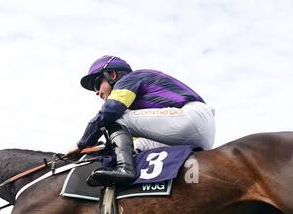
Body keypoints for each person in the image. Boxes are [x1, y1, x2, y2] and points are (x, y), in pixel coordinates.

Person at [66, 55, 216, 186]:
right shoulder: (135, 106)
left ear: (112, 75)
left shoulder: (128, 80)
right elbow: (128, 140)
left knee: (115, 118)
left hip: (191, 117)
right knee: (136, 145)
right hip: (199, 133)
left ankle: (125, 170)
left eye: (96, 84)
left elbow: (109, 112)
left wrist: (81, 144)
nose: (97, 92)